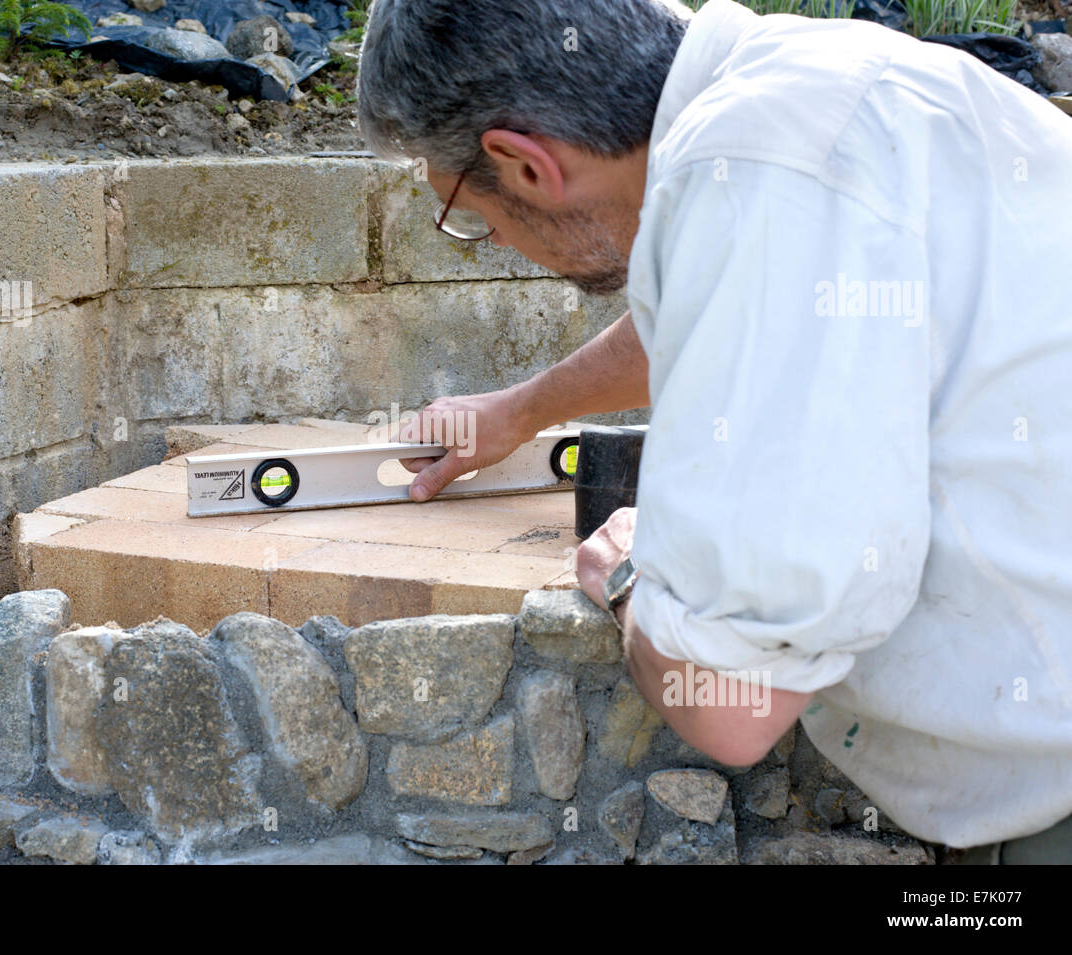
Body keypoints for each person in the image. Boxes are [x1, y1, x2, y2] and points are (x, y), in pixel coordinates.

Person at [356, 0, 1072, 861]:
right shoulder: (815, 87)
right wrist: (518, 412)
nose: (498, 242)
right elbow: (711, 309)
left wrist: (632, 574)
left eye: (471, 214)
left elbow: (734, 705)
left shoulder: (753, 179)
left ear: (524, 164)